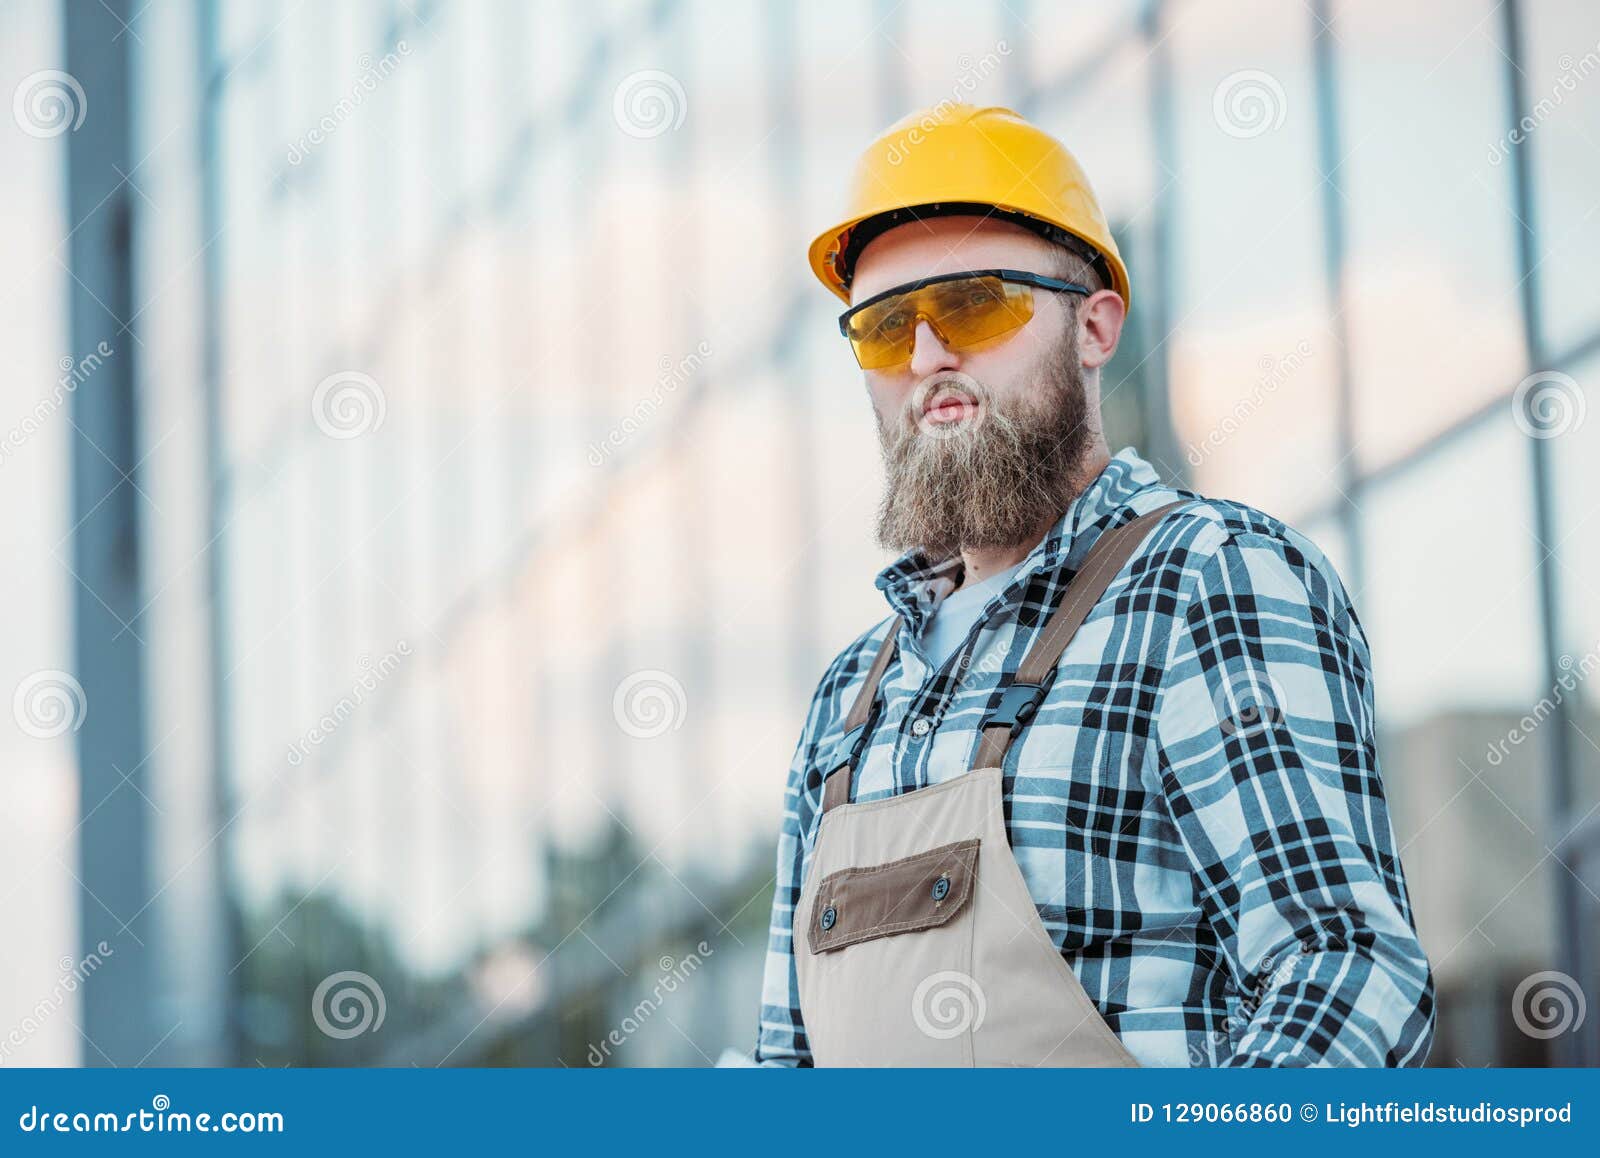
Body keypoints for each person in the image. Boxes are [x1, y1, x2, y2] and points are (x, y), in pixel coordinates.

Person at [751, 104, 1435, 1067]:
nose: (927, 357)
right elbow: (787, 1062)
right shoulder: (847, 700)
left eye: (973, 304)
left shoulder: (1206, 580)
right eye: (885, 326)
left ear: (1095, 326)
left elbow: (1347, 972)